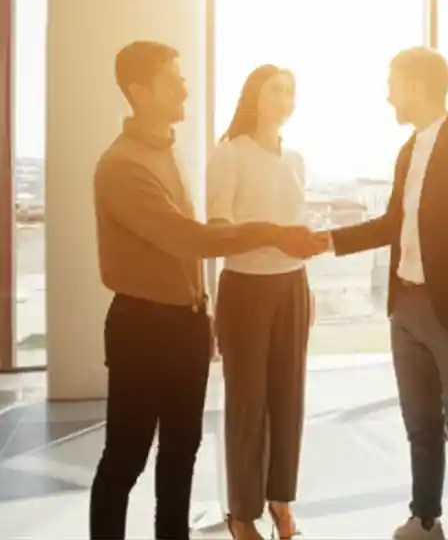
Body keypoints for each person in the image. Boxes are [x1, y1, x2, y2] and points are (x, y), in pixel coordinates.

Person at [90, 41, 325, 540]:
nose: (185, 87)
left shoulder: (167, 151)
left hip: (187, 320)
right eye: (173, 79)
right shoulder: (123, 165)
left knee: (181, 452)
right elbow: (189, 238)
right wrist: (271, 233)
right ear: (139, 91)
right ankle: (242, 513)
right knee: (127, 456)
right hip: (143, 325)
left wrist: (205, 307)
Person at [318, 47, 448, 540]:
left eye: (393, 85)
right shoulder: (408, 152)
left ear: (417, 86)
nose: (388, 96)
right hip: (405, 307)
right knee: (420, 425)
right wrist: (329, 241)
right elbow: (392, 224)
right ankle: (425, 521)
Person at [207, 65, 311, 540]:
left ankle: (280, 499)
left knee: (289, 400)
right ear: (253, 95)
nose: (284, 99)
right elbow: (218, 230)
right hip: (245, 288)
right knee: (247, 403)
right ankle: (242, 512)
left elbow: (296, 225)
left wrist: (302, 265)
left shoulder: (296, 159)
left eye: (289, 91)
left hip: (293, 286)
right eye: (275, 90)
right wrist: (272, 237)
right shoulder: (229, 153)